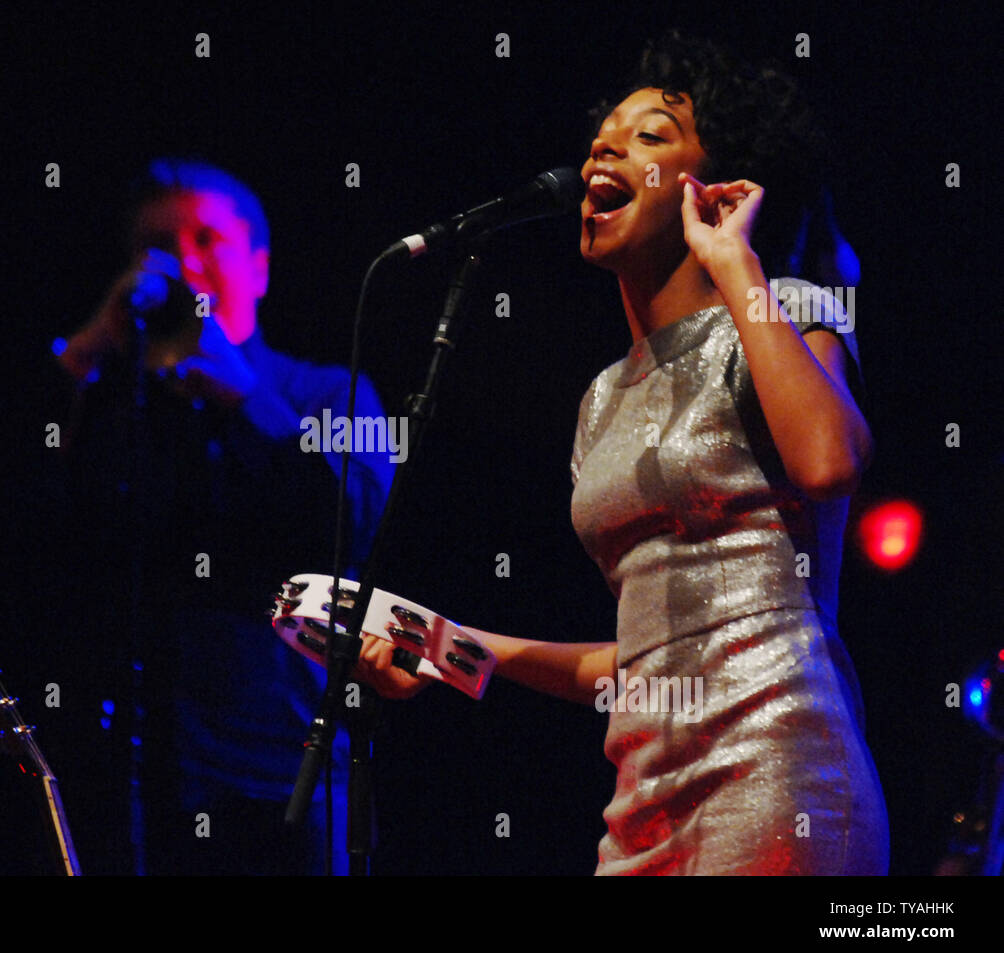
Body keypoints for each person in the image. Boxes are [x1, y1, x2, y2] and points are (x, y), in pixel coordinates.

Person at [359, 32, 888, 875]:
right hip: (642, 792)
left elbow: (828, 463)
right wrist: (467, 645)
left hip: (776, 768)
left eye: (651, 134)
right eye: (605, 132)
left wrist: (734, 260)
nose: (605, 145)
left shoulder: (783, 309)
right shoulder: (603, 398)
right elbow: (643, 657)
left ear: (710, 183)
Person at [58, 159, 394, 874]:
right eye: (159, 246)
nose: (183, 261)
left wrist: (247, 400)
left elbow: (356, 521)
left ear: (260, 268)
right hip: (143, 773)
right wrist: (88, 351)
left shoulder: (331, 392)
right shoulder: (121, 405)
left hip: (289, 773)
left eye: (207, 240)